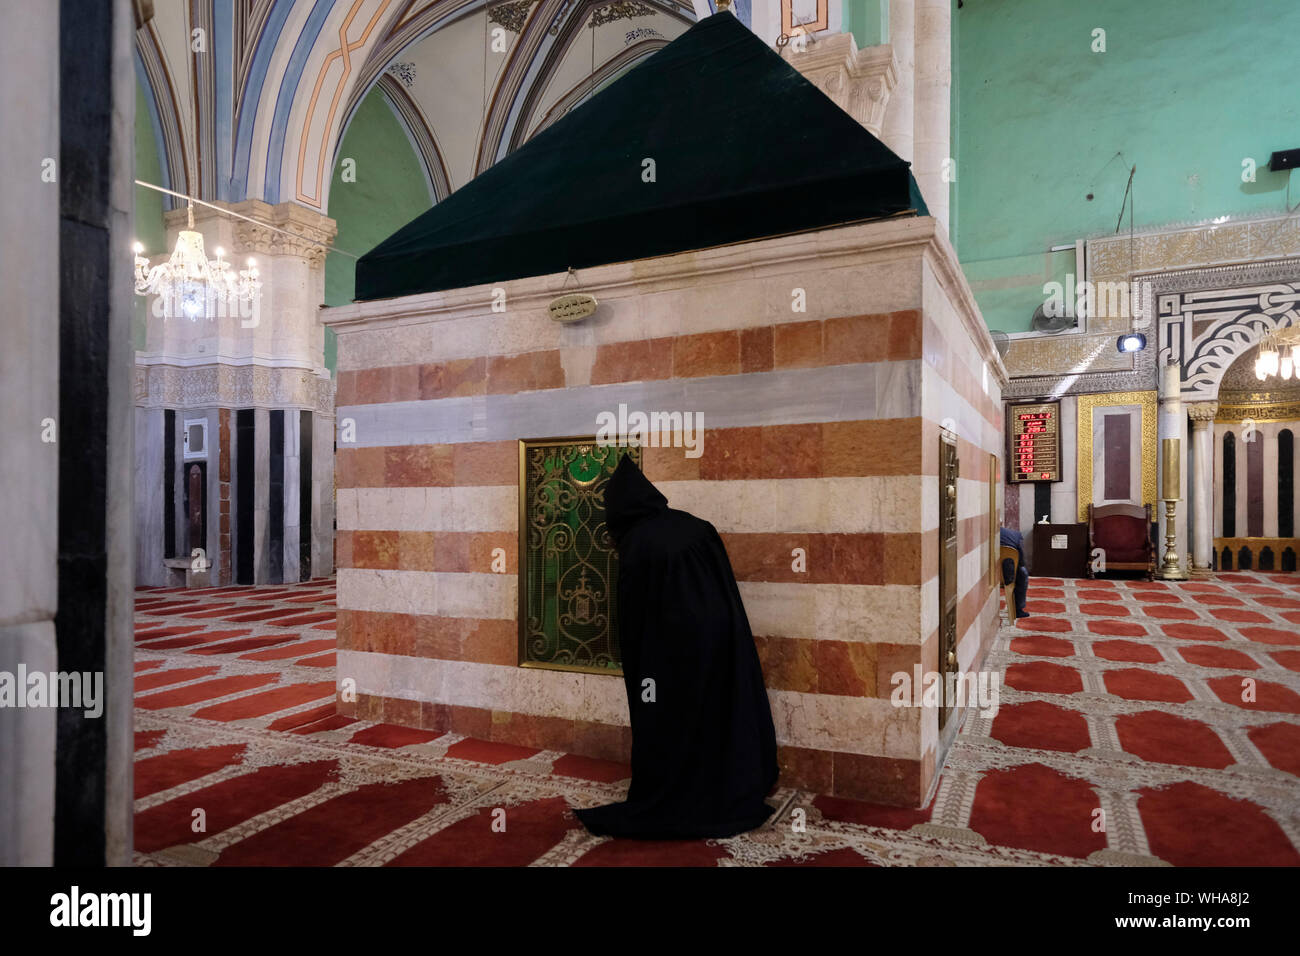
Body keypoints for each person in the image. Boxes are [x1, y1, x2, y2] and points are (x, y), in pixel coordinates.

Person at [573, 455, 779, 839]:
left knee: (672, 722)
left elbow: (636, 620)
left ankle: (679, 794)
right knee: (717, 713)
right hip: (719, 643)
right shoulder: (697, 527)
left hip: (669, 656)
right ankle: (725, 787)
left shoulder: (637, 542)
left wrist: (641, 672)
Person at [1000, 526, 1031, 619]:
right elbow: (1021, 560)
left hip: (989, 575)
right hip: (1009, 575)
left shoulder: (985, 535)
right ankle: (1018, 609)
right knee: (1023, 573)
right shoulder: (1015, 535)